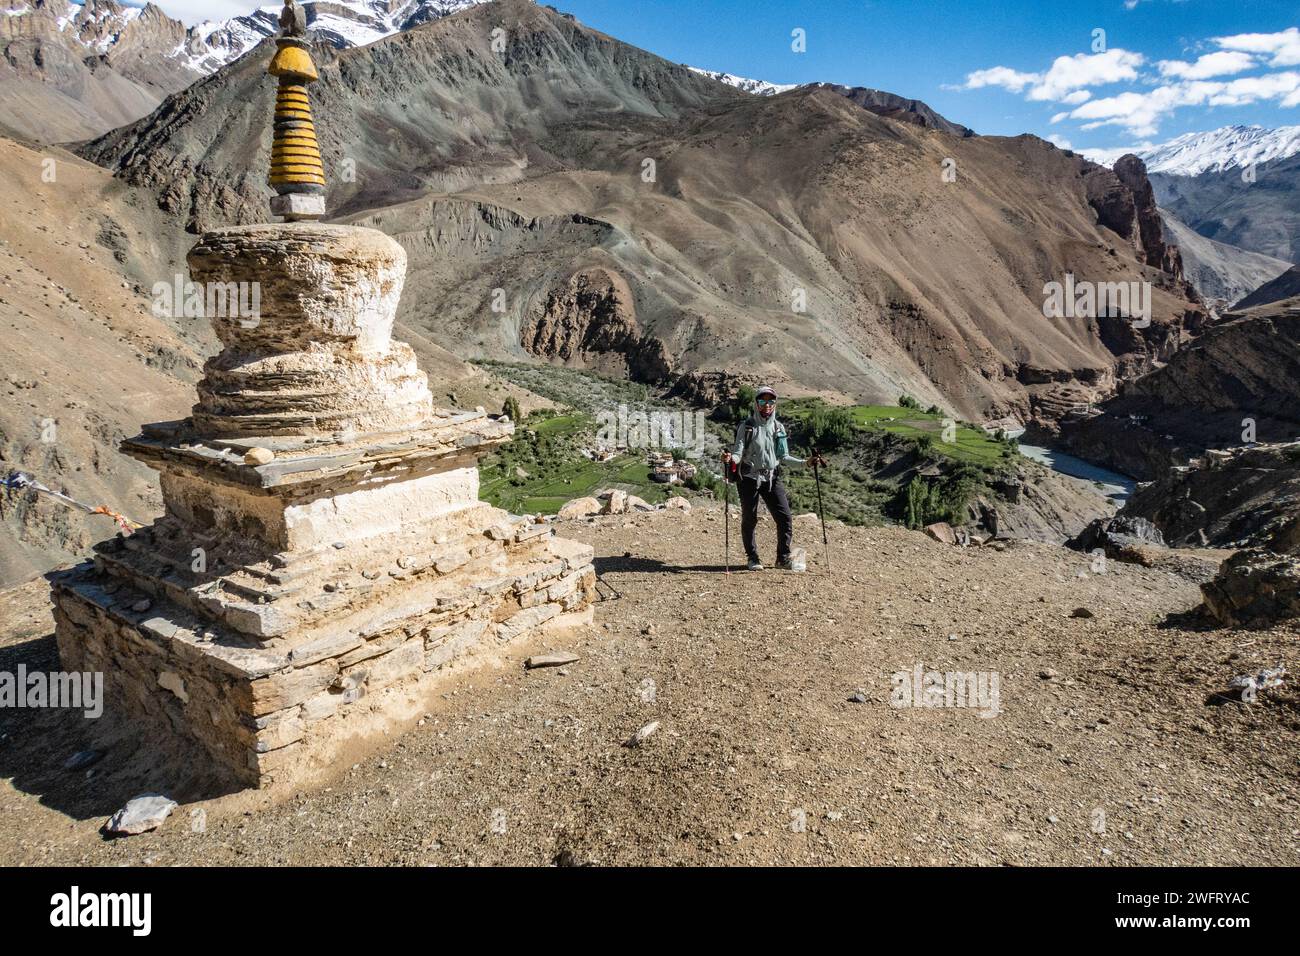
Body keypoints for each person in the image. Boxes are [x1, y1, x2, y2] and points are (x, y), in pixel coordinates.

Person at [722, 386, 825, 570]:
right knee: (749, 518)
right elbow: (738, 452)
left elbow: (783, 457)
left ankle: (782, 558)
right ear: (756, 403)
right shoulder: (747, 427)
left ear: (775, 404)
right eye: (763, 401)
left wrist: (806, 463)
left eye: (771, 401)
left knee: (785, 517)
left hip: (771, 477)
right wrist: (731, 459)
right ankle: (752, 557)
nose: (767, 405)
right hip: (749, 478)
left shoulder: (778, 428)